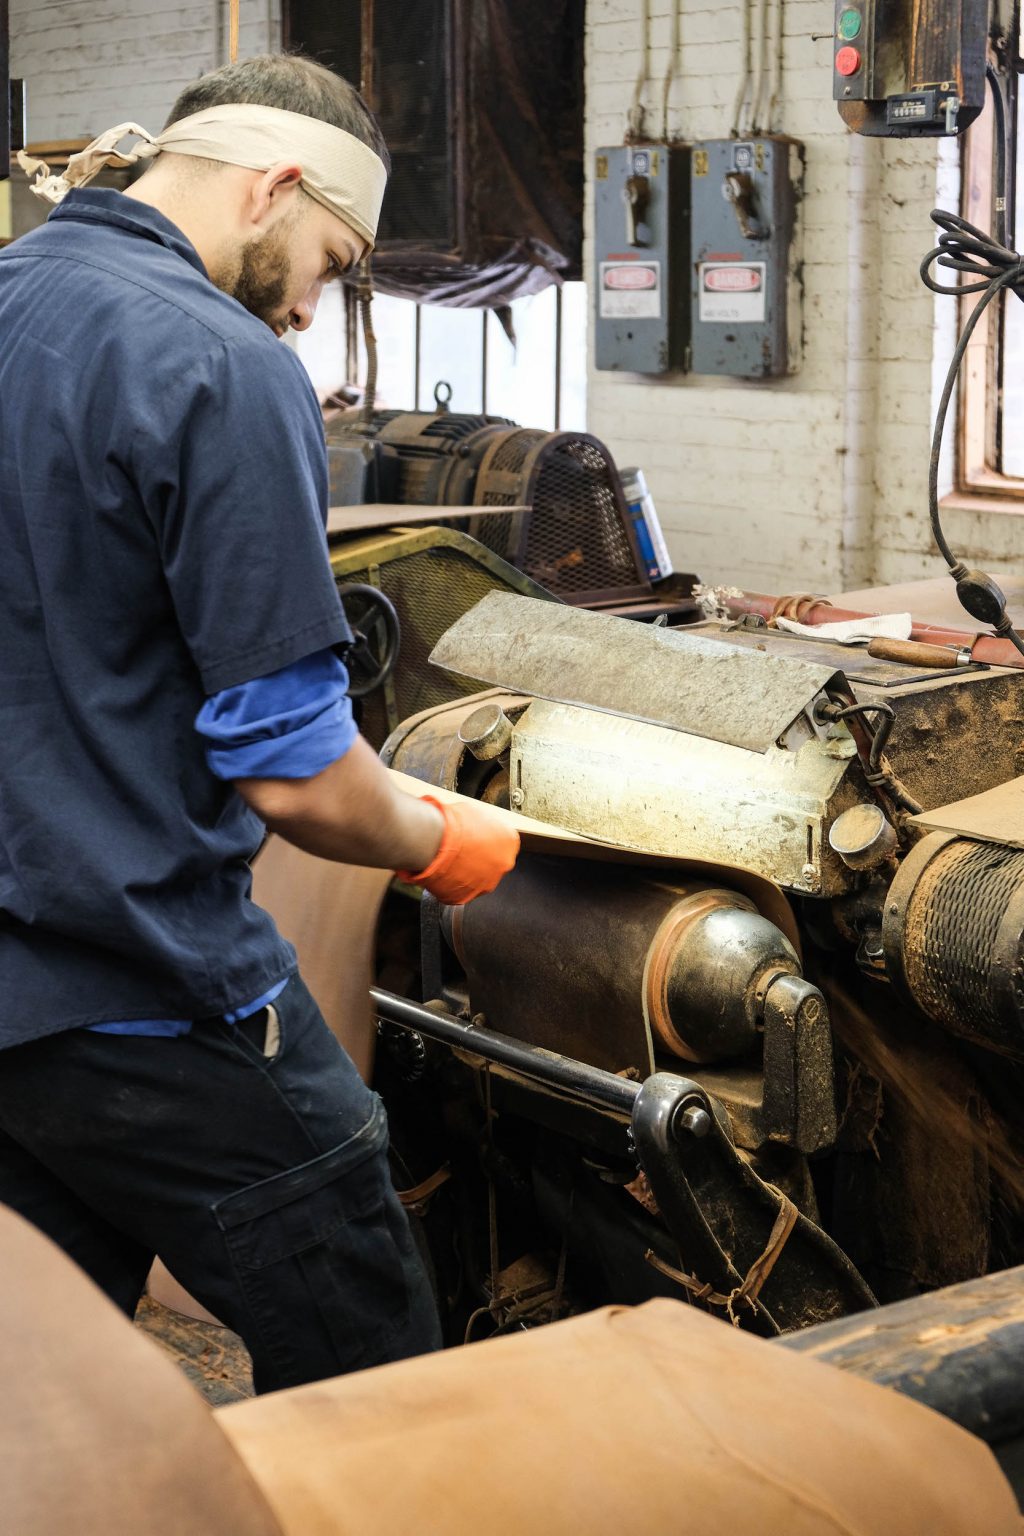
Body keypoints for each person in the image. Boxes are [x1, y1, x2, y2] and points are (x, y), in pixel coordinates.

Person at [0, 53, 519, 1393]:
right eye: (333, 264)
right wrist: (439, 836)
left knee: (45, 1395)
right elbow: (295, 773)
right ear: (273, 182)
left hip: (13, 1005)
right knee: (375, 1365)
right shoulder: (218, 366)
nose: (307, 308)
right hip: (145, 991)